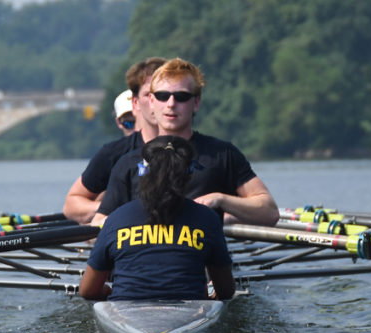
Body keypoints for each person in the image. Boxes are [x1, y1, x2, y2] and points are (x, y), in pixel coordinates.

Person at [91, 58, 279, 227]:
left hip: (201, 254)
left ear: (196, 103)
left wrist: (221, 199)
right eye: (162, 96)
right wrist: (128, 220)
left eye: (181, 97)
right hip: (144, 252)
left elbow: (270, 213)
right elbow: (97, 225)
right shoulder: (127, 162)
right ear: (152, 101)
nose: (171, 104)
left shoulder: (222, 154)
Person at [79, 135, 236, 301]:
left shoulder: (116, 218)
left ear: (142, 172)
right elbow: (226, 291)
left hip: (124, 309)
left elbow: (88, 291)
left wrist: (109, 292)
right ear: (189, 175)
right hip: (191, 310)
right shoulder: (208, 219)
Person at [62, 57, 167, 224]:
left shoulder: (201, 152)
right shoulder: (116, 155)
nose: (164, 103)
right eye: (127, 122)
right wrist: (110, 208)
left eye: (179, 96)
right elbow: (71, 205)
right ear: (137, 103)